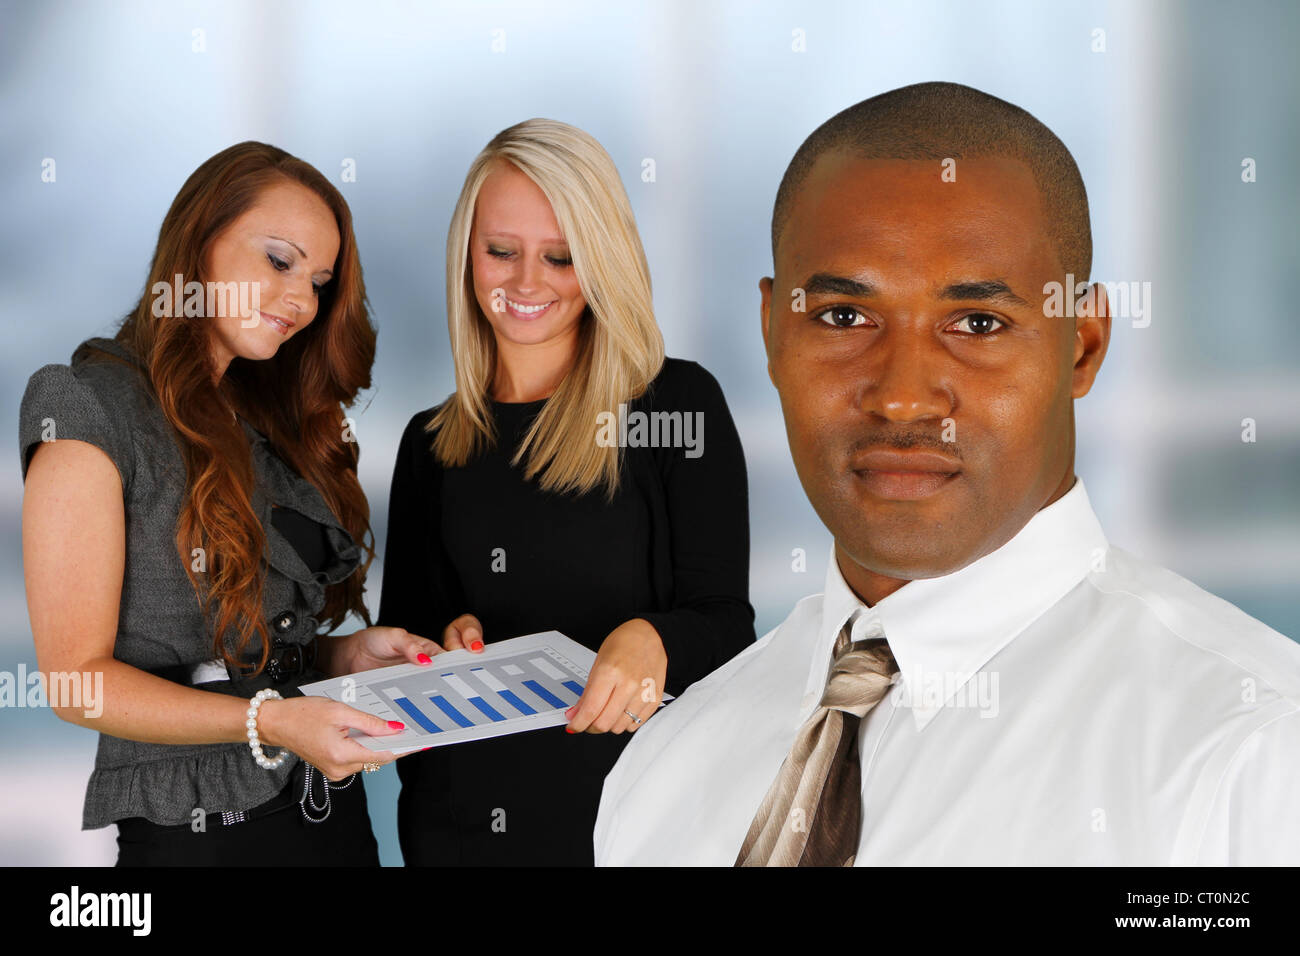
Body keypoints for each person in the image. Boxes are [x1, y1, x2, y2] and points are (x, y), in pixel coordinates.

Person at [594, 81, 1300, 866]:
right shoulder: (660, 774)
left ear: (1084, 346)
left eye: (978, 324)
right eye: (843, 317)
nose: (901, 397)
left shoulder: (1255, 753)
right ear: (771, 332)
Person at [20, 141, 444, 866]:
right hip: (201, 845)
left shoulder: (265, 420)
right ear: (198, 240)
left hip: (331, 826)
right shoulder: (89, 405)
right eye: (279, 261)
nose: (302, 302)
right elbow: (75, 682)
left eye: (318, 281)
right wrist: (274, 722)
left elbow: (257, 656)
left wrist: (342, 656)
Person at [377, 118, 755, 866]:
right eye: (501, 252)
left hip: (635, 832)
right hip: (458, 834)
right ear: (466, 254)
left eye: (560, 257)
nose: (525, 283)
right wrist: (445, 646)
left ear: (602, 261)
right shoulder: (430, 444)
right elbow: (403, 662)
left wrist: (653, 640)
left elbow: (727, 627)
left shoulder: (674, 406)